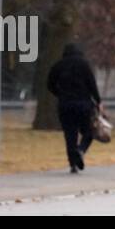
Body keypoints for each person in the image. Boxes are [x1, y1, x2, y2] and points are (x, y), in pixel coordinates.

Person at [45, 43, 101, 173]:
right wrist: (98, 101)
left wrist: (59, 94)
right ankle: (80, 150)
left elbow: (50, 84)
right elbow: (92, 84)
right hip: (83, 104)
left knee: (70, 134)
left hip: (65, 105)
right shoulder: (84, 64)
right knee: (89, 130)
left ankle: (73, 164)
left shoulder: (58, 66)